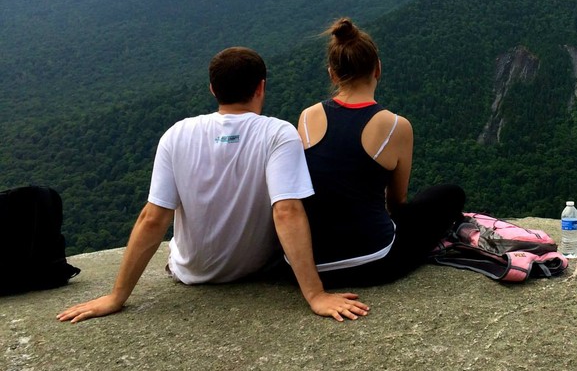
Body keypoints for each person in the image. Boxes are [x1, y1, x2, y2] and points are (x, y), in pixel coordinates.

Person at [58, 47, 369, 323]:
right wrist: (315, 295)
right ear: (261, 87)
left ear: (212, 89)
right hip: (258, 269)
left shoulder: (176, 135)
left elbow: (153, 218)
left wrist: (116, 297)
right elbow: (286, 211)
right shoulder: (278, 134)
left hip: (190, 273)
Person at [297, 18, 464, 286]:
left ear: (332, 74)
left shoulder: (307, 117)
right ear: (378, 69)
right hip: (372, 263)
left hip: (308, 263)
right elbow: (396, 202)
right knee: (451, 194)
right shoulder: (396, 126)